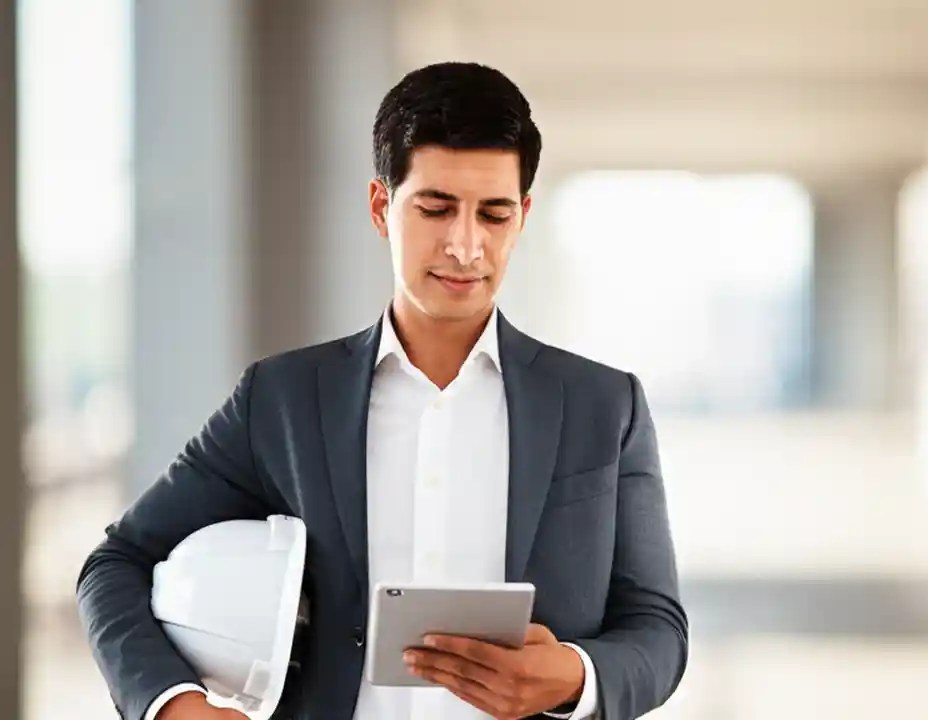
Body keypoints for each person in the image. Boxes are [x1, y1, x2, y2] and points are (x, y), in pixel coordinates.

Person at [77, 62, 688, 720]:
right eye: (435, 208)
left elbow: (657, 629)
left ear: (523, 216)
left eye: (494, 214)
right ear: (380, 207)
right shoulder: (282, 401)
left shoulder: (604, 406)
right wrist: (172, 706)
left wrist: (574, 675)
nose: (464, 245)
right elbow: (118, 563)